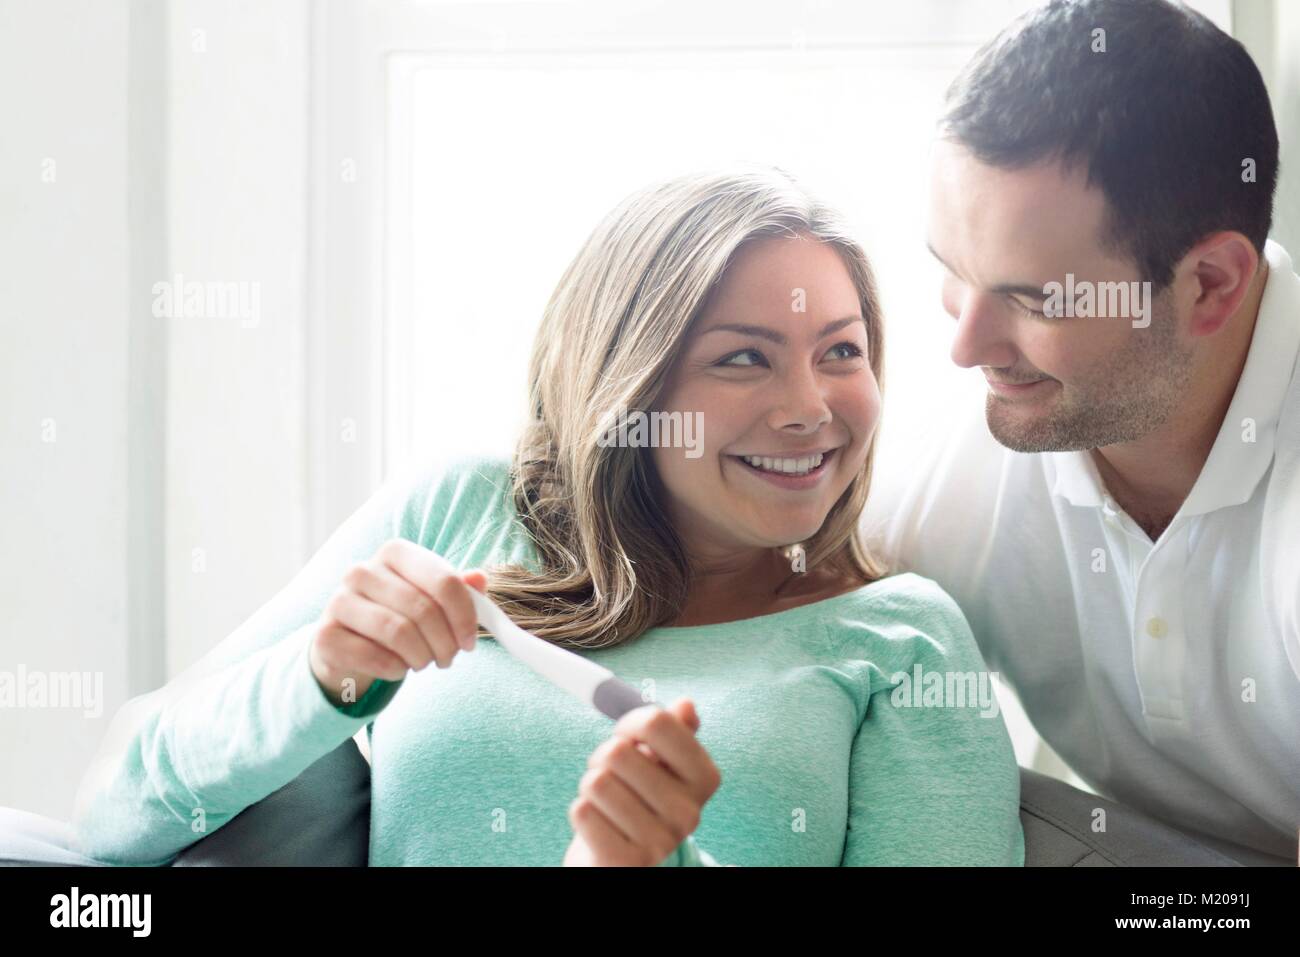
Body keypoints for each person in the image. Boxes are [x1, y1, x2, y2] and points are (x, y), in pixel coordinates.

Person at [72, 166, 1024, 867]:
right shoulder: (462, 510)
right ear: (631, 381)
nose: (812, 407)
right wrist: (321, 678)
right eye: (745, 358)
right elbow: (116, 812)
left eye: (842, 351)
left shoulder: (903, 639)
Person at [863, 0, 1299, 861]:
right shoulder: (981, 439)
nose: (964, 347)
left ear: (1210, 283)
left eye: (1033, 300)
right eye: (952, 272)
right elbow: (765, 602)